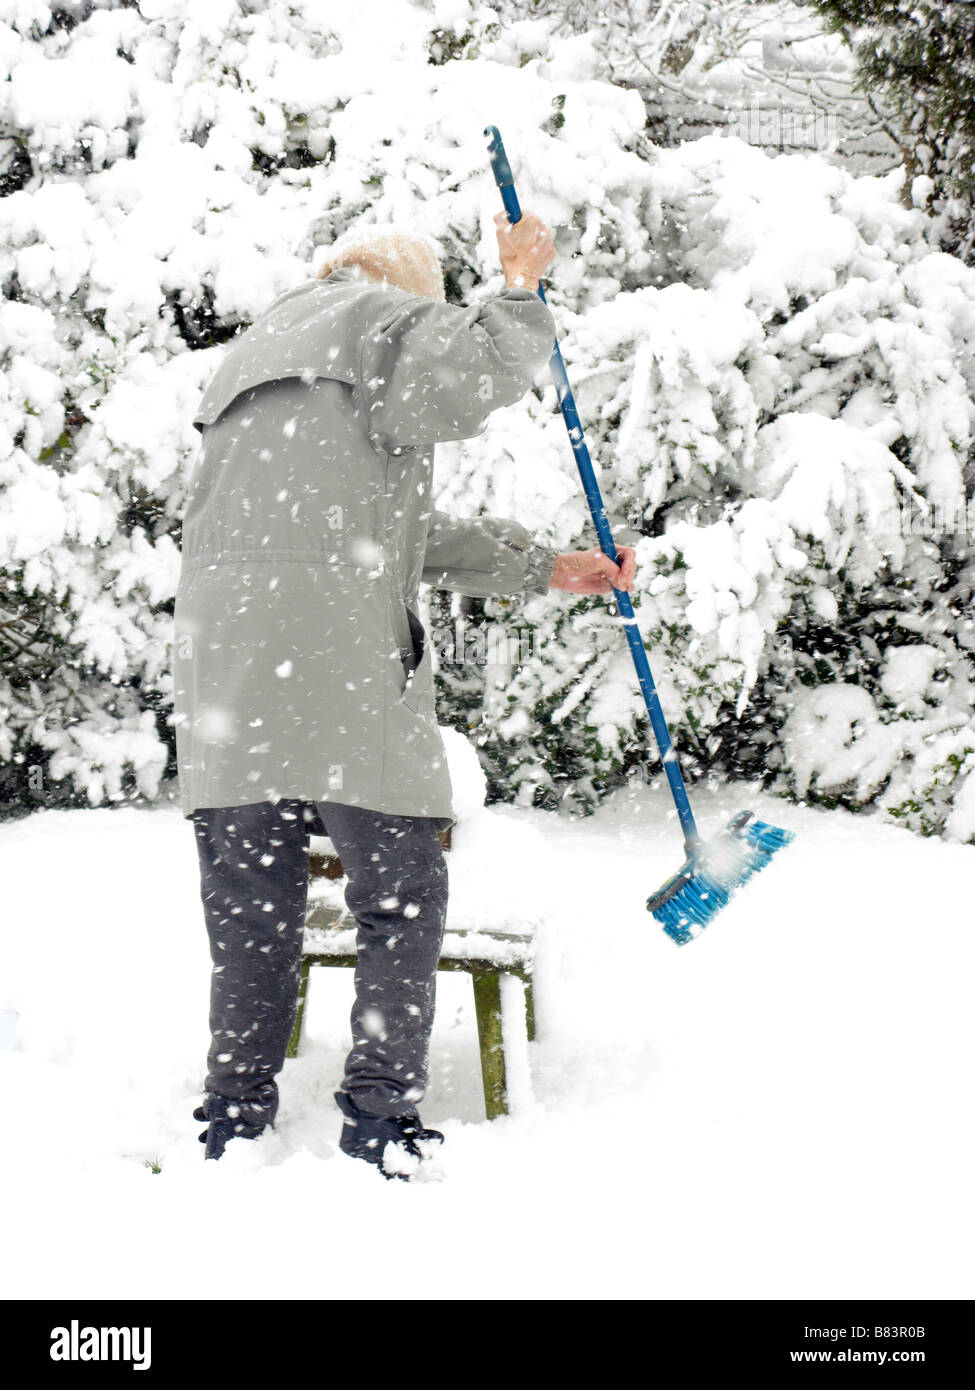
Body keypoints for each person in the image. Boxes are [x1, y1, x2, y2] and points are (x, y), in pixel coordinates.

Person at [173, 209, 637, 1177]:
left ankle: (231, 1112)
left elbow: (388, 528)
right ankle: (379, 1114)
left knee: (254, 908)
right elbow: (477, 370)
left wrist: (549, 564)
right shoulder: (379, 316)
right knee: (403, 892)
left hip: (227, 677)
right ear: (407, 289)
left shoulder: (258, 357)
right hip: (340, 673)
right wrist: (518, 287)